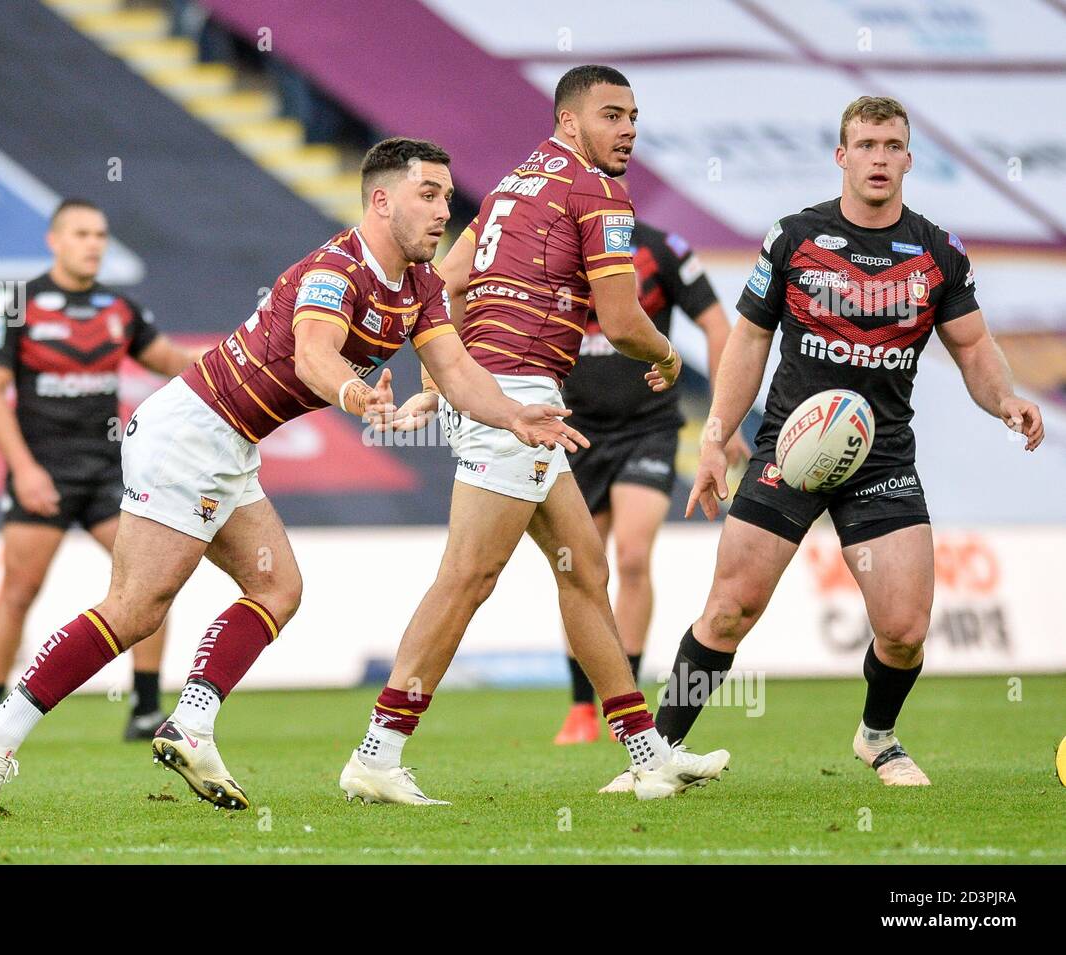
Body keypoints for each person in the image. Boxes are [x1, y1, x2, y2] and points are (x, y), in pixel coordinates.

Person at [0, 138, 584, 820]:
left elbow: (456, 371)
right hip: (190, 433)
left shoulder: (421, 286)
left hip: (227, 442)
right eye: (427, 195)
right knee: (137, 606)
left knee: (278, 587)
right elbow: (314, 354)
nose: (442, 211)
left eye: (446, 197)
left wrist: (514, 415)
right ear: (381, 200)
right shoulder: (337, 268)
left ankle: (191, 724)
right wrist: (356, 395)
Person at [338, 65, 730, 805]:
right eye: (611, 115)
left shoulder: (515, 183)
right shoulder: (598, 192)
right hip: (518, 393)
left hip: (505, 391)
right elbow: (622, 320)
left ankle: (648, 753)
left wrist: (446, 383)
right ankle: (376, 753)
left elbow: (449, 281)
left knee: (584, 568)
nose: (628, 130)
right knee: (468, 576)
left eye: (633, 117)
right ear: (570, 121)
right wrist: (669, 358)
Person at [659, 96, 1044, 785]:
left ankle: (877, 736)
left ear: (909, 160)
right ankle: (656, 751)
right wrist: (716, 435)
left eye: (892, 146)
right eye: (866, 145)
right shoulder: (793, 238)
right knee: (728, 609)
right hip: (790, 451)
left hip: (882, 457)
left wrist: (1006, 399)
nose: (879, 158)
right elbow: (748, 341)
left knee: (904, 629)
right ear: (842, 156)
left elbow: (973, 347)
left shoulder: (938, 251)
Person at [0, 198, 196, 741]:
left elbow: (173, 362)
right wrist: (24, 469)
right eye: (81, 233)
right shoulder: (17, 304)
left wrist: (247, 356)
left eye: (99, 234)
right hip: (42, 471)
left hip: (107, 474)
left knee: (150, 582)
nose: (93, 243)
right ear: (54, 240)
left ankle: (145, 709)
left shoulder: (119, 309)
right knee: (19, 591)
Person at [553, 220, 750, 745]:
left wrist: (723, 418)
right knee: (579, 570)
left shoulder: (663, 248)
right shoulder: (554, 245)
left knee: (633, 558)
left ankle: (625, 704)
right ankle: (581, 706)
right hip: (574, 430)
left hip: (649, 428)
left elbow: (718, 326)